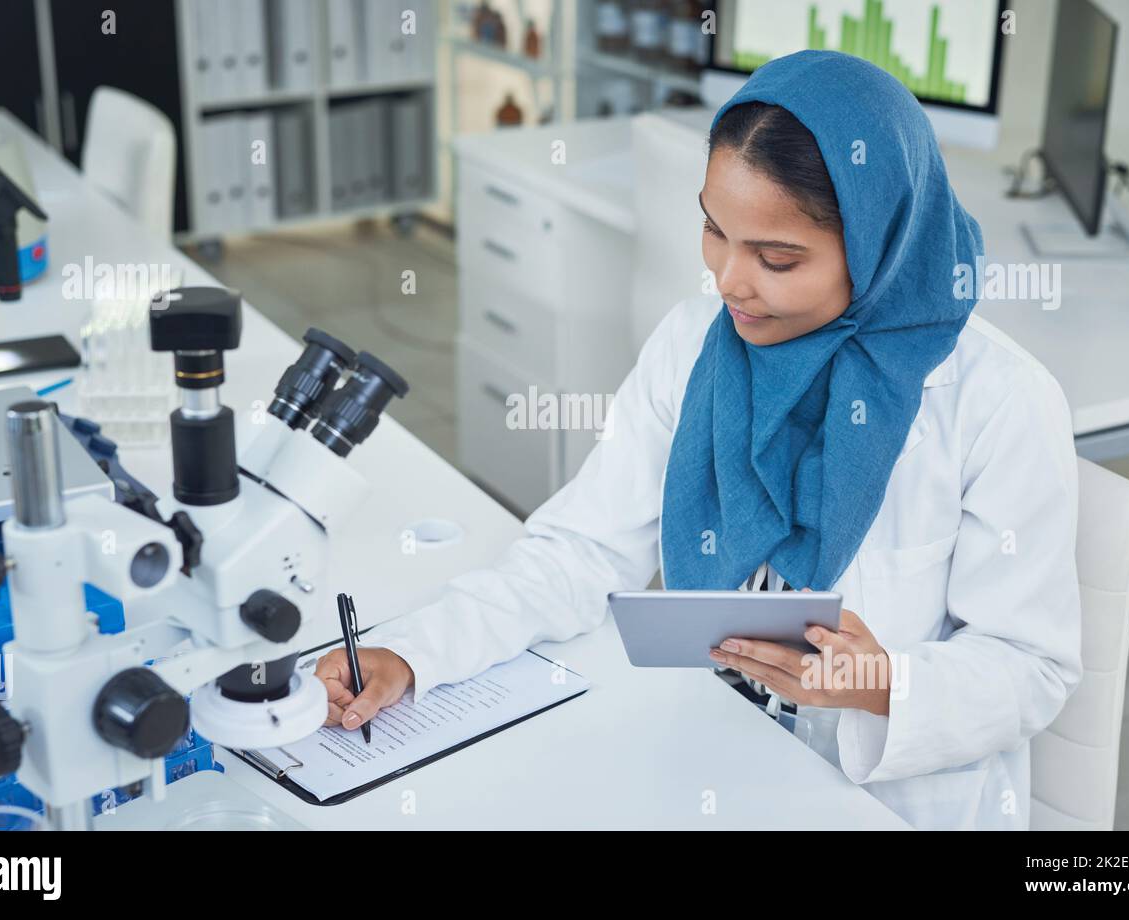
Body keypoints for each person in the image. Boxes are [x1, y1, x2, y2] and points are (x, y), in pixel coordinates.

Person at [314, 51, 1082, 830]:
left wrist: (880, 682)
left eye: (777, 258)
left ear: (881, 240)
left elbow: (1034, 668)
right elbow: (579, 549)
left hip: (874, 797)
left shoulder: (1000, 402)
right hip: (708, 755)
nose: (729, 281)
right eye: (715, 232)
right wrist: (415, 654)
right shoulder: (695, 346)